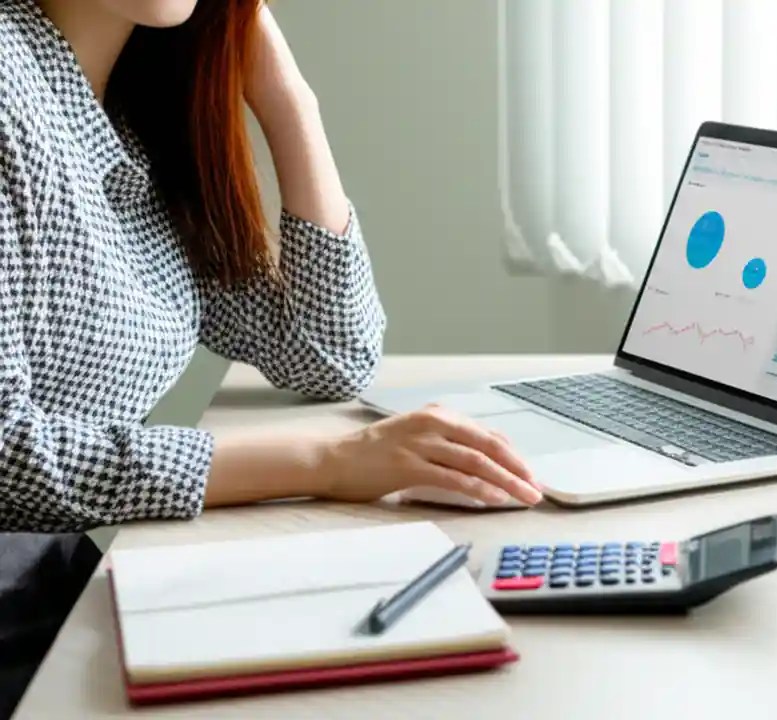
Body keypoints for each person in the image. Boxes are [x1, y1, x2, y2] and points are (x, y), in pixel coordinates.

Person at [0, 0, 543, 714]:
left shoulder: (128, 113)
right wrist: (326, 462)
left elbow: (330, 353)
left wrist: (289, 100)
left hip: (50, 594)